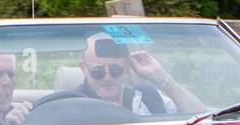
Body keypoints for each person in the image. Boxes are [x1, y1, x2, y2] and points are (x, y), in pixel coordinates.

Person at [75, 33, 205, 115]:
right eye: (98, 71)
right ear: (83, 68)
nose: (108, 77)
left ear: (126, 65)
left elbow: (201, 117)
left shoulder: (146, 96)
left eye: (115, 70)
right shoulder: (73, 104)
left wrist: (162, 79)